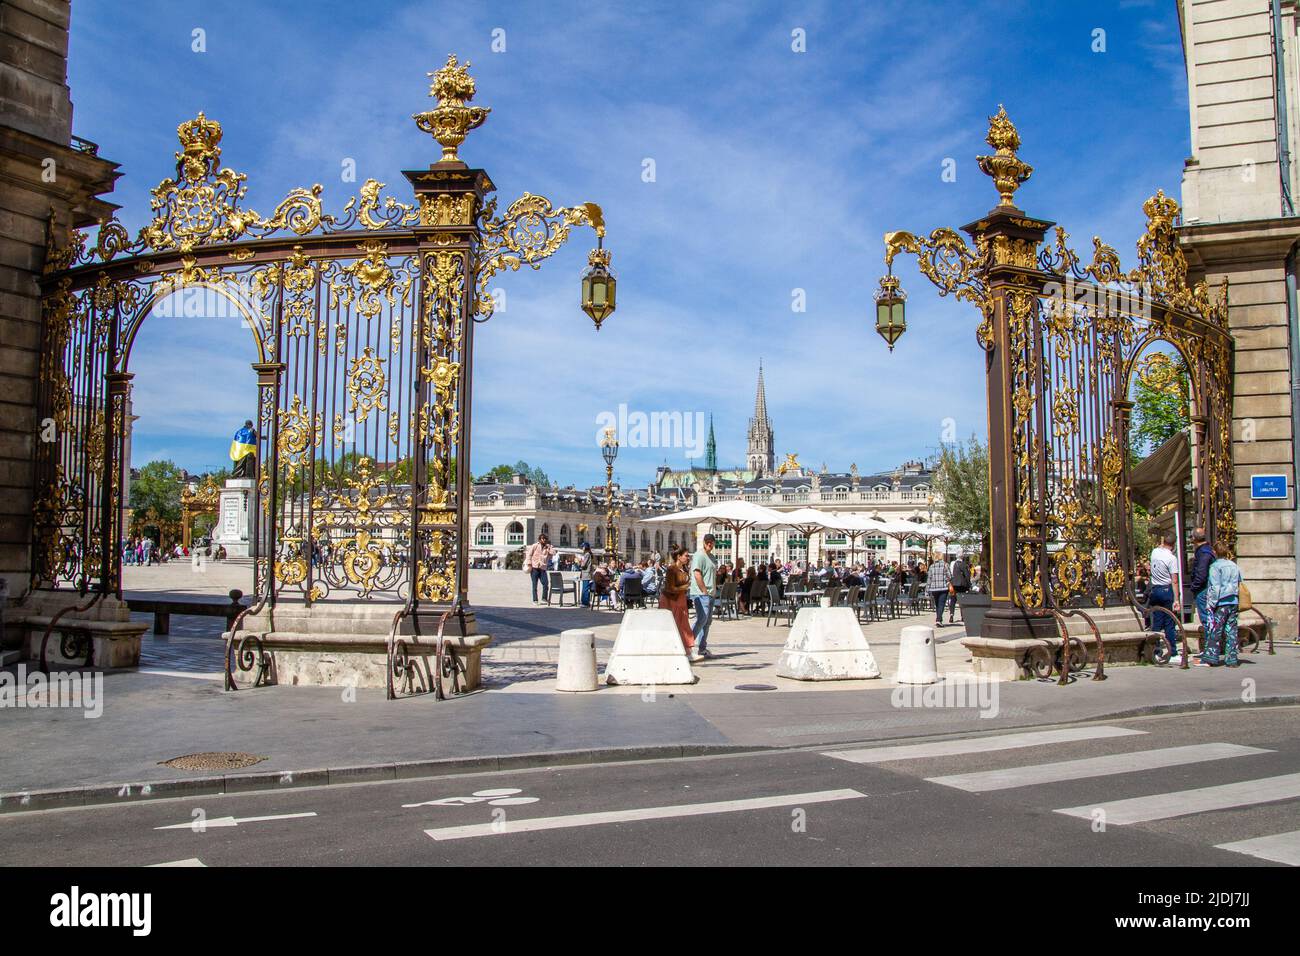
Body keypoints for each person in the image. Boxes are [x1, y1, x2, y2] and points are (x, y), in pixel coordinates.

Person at [1197, 541, 1242, 668]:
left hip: (1221, 601)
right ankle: (1232, 659)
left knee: (1215, 630)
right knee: (1231, 630)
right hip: (1233, 600)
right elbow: (1239, 582)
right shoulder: (1234, 565)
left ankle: (1211, 657)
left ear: (1215, 552)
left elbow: (1215, 587)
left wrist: (1211, 603)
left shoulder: (1215, 566)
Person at [659, 546, 699, 660]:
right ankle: (678, 650)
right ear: (679, 556)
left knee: (684, 625)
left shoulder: (684, 569)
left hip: (680, 599)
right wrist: (686, 586)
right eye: (686, 556)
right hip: (671, 600)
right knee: (676, 625)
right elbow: (671, 588)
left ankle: (687, 650)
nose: (688, 558)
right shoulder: (672, 569)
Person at [1148, 531, 1182, 664]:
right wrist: (1176, 599)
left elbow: (1158, 549)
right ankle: (1172, 652)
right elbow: (1174, 580)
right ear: (1173, 544)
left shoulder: (1155, 552)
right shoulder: (1172, 559)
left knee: (1156, 622)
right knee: (1169, 623)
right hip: (1166, 589)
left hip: (1155, 590)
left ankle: (1156, 651)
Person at [689, 533, 719, 658]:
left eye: (711, 542)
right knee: (702, 619)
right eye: (707, 542)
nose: (709, 544)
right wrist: (704, 591)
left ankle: (702, 648)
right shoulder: (699, 556)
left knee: (707, 622)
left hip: (711, 593)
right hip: (701, 593)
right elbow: (697, 574)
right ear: (703, 542)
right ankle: (687, 644)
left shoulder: (712, 557)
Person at [1188, 527, 1214, 635]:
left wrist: (1194, 587)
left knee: (1206, 619)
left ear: (1194, 538)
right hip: (1206, 587)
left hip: (1203, 589)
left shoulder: (1203, 552)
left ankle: (1211, 648)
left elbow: (1201, 574)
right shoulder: (1207, 550)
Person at [523, 533, 556, 605]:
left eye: (545, 539)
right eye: (542, 538)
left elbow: (554, 553)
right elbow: (529, 554)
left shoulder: (547, 547)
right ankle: (535, 600)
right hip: (534, 567)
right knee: (534, 584)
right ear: (539, 539)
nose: (543, 540)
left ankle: (544, 598)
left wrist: (549, 547)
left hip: (542, 568)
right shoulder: (535, 545)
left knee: (546, 583)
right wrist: (529, 563)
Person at [926, 550, 952, 626]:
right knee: (941, 604)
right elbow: (950, 576)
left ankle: (938, 619)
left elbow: (929, 579)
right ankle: (939, 619)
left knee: (937, 604)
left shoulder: (931, 566)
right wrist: (947, 580)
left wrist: (927, 591)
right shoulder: (945, 565)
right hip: (943, 588)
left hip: (934, 588)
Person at [948, 553, 971, 623]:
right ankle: (963, 616)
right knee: (962, 601)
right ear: (962, 557)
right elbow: (967, 575)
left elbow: (951, 574)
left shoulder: (953, 564)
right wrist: (969, 584)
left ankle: (951, 615)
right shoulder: (963, 564)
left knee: (953, 600)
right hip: (962, 585)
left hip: (954, 584)